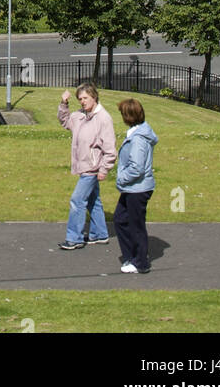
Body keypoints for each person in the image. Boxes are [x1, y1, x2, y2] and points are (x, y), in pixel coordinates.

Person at [57, 82, 117, 249]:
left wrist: (104, 169)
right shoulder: (80, 115)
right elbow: (65, 121)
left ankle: (73, 238)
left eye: (85, 98)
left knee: (77, 200)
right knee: (93, 201)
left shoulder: (103, 118)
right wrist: (64, 104)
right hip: (83, 166)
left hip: (92, 168)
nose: (82, 102)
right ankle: (100, 234)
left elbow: (110, 149)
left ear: (94, 97)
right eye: (80, 99)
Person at [113, 98, 157, 275]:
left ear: (128, 116)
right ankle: (132, 256)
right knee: (120, 219)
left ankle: (140, 263)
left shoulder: (138, 139)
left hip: (137, 188)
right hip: (134, 188)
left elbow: (137, 168)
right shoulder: (136, 133)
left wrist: (121, 179)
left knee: (135, 225)